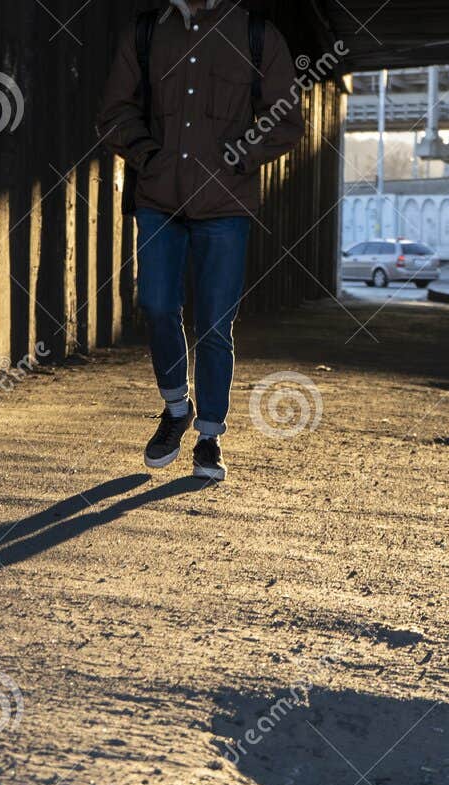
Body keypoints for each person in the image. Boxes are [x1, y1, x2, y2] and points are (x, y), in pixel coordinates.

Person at [97, 0, 303, 480]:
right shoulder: (146, 33)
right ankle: (175, 409)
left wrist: (239, 157)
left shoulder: (257, 34)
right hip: (158, 199)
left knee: (215, 323)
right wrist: (147, 157)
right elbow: (114, 110)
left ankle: (209, 436)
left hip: (226, 204)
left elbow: (286, 118)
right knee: (156, 304)